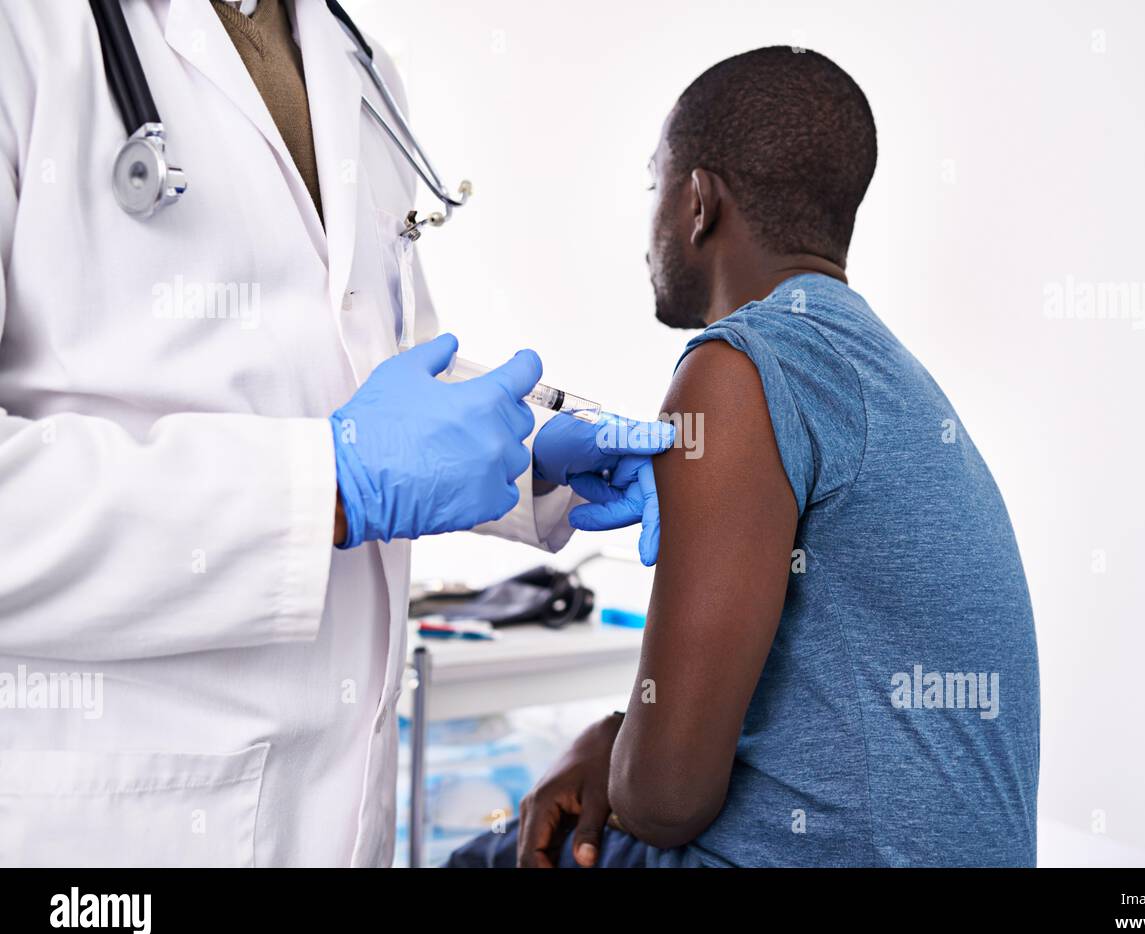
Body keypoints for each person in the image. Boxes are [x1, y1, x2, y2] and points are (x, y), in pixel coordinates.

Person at [0, 0, 668, 866]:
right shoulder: (31, 32)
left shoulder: (357, 63)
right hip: (103, 826)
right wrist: (327, 484)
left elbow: (374, 374)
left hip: (340, 811)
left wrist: (535, 455)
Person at [450, 46, 1039, 868]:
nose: (650, 222)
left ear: (698, 202)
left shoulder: (735, 368)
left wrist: (611, 748)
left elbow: (663, 802)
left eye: (655, 184)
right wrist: (615, 734)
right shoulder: (883, 372)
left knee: (484, 854)